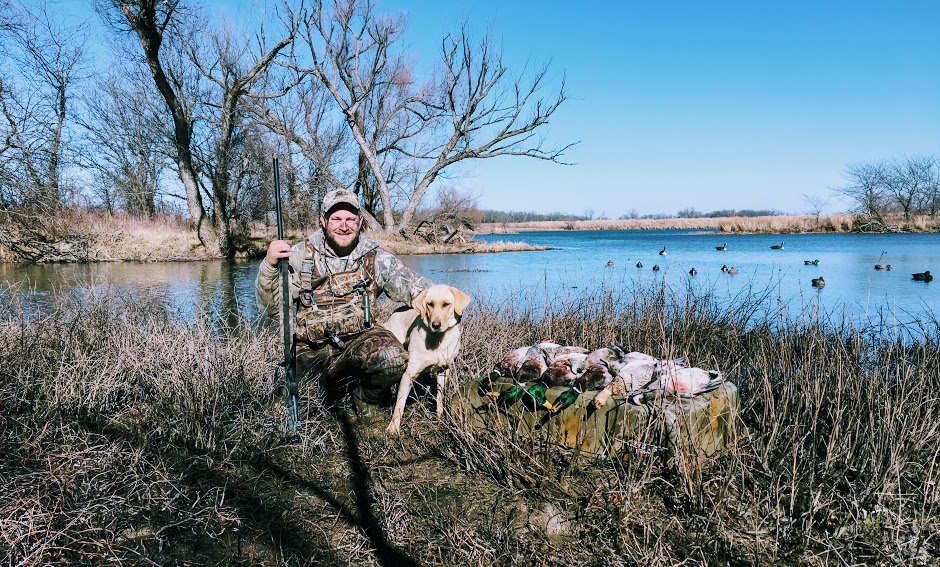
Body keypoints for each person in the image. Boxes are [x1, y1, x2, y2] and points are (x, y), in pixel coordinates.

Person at [256, 189, 431, 418]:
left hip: (360, 341)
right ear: (323, 220)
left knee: (392, 358)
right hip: (310, 349)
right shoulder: (299, 254)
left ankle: (365, 399)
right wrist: (269, 265)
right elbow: (269, 308)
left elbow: (419, 292)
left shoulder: (376, 257)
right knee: (283, 412)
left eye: (350, 219)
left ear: (359, 221)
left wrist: (450, 306)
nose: (344, 225)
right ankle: (331, 391)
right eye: (336, 219)